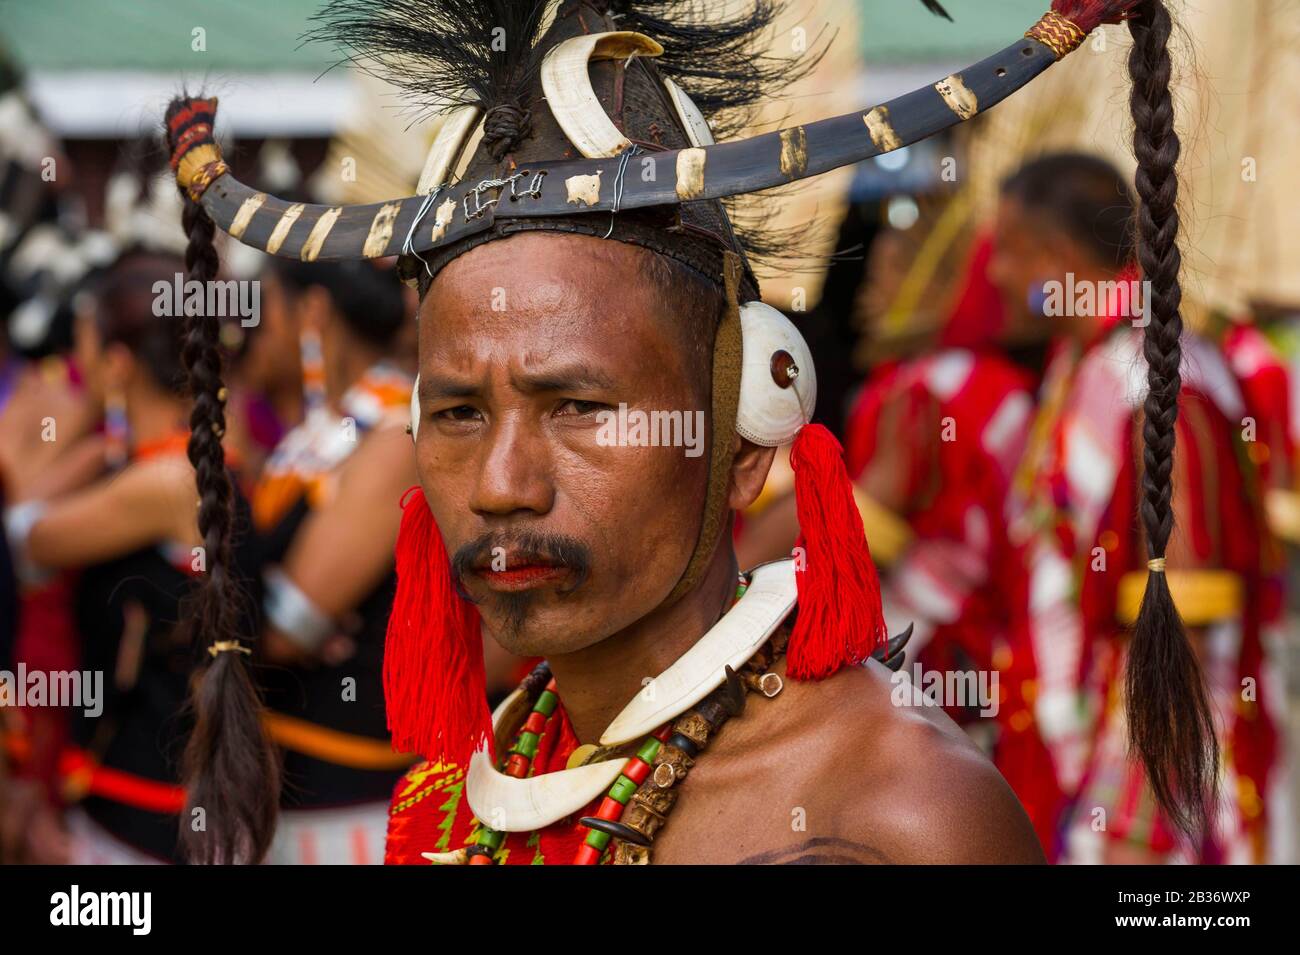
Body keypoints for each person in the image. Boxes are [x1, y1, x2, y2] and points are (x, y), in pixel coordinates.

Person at [160, 0, 1189, 865]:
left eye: (579, 408)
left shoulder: (893, 819)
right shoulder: (449, 797)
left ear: (748, 435)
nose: (502, 484)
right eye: (459, 413)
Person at [993, 151, 1281, 863]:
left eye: (1010, 252)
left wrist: (1141, 806)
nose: (995, 276)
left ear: (1059, 256)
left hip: (1153, 776)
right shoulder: (1088, 363)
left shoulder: (1154, 375)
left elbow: (1186, 603)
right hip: (1088, 754)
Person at [1, 251, 260, 862]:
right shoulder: (178, 459)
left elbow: (25, 537)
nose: (74, 365)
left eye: (87, 348)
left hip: (154, 809)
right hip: (150, 791)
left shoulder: (170, 478)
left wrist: (83, 416)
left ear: (118, 364)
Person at [249, 257, 419, 864]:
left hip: (349, 807)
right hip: (285, 788)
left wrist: (207, 626)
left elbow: (289, 627)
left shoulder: (397, 433)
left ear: (312, 313)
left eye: (261, 312)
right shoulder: (318, 437)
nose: (251, 336)